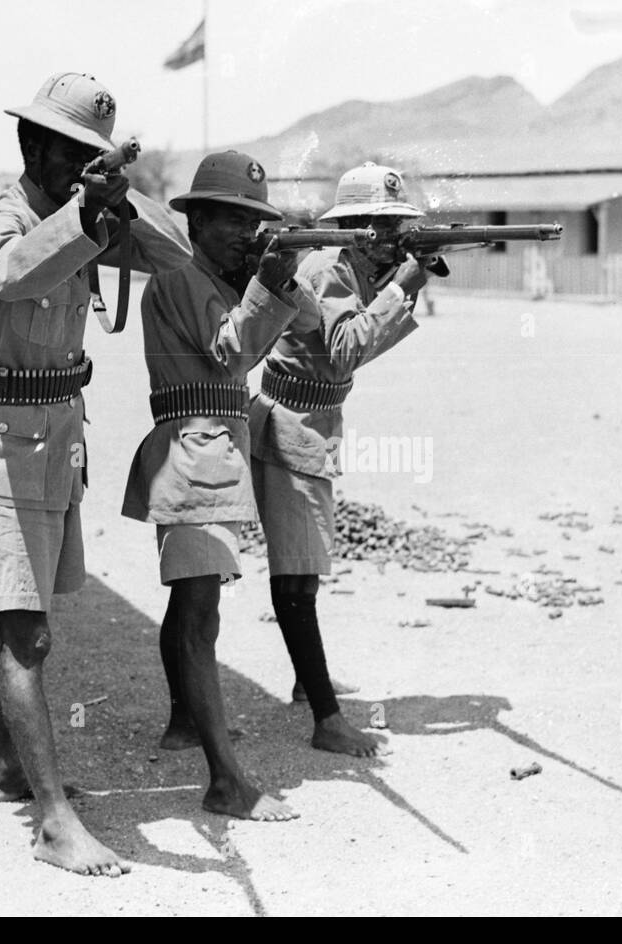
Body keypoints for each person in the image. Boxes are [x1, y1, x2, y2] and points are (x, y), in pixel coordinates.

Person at [0, 72, 191, 876]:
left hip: (57, 442)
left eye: (93, 155)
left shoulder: (80, 213)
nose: (78, 165)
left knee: (15, 613)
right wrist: (85, 214)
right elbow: (14, 274)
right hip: (7, 447)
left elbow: (178, 254)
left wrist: (123, 195)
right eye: (71, 151)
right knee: (28, 633)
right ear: (31, 145)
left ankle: (5, 770)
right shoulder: (7, 220)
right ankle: (53, 822)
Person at [122, 150, 319, 821]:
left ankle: (185, 719)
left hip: (213, 451)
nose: (245, 234)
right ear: (196, 220)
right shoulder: (180, 279)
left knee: (190, 604)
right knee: (201, 612)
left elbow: (312, 326)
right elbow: (233, 351)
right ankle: (224, 780)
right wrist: (269, 280)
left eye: (255, 222)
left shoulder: (224, 280)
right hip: (191, 451)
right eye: (232, 220)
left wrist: (281, 272)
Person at [248, 162, 432, 757]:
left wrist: (398, 280)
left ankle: (309, 680)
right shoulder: (328, 267)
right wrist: (403, 288)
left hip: (314, 424)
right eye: (385, 226)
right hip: (289, 427)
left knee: (308, 562)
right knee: (295, 578)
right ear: (357, 226)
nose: (394, 238)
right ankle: (327, 719)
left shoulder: (352, 267)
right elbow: (346, 347)